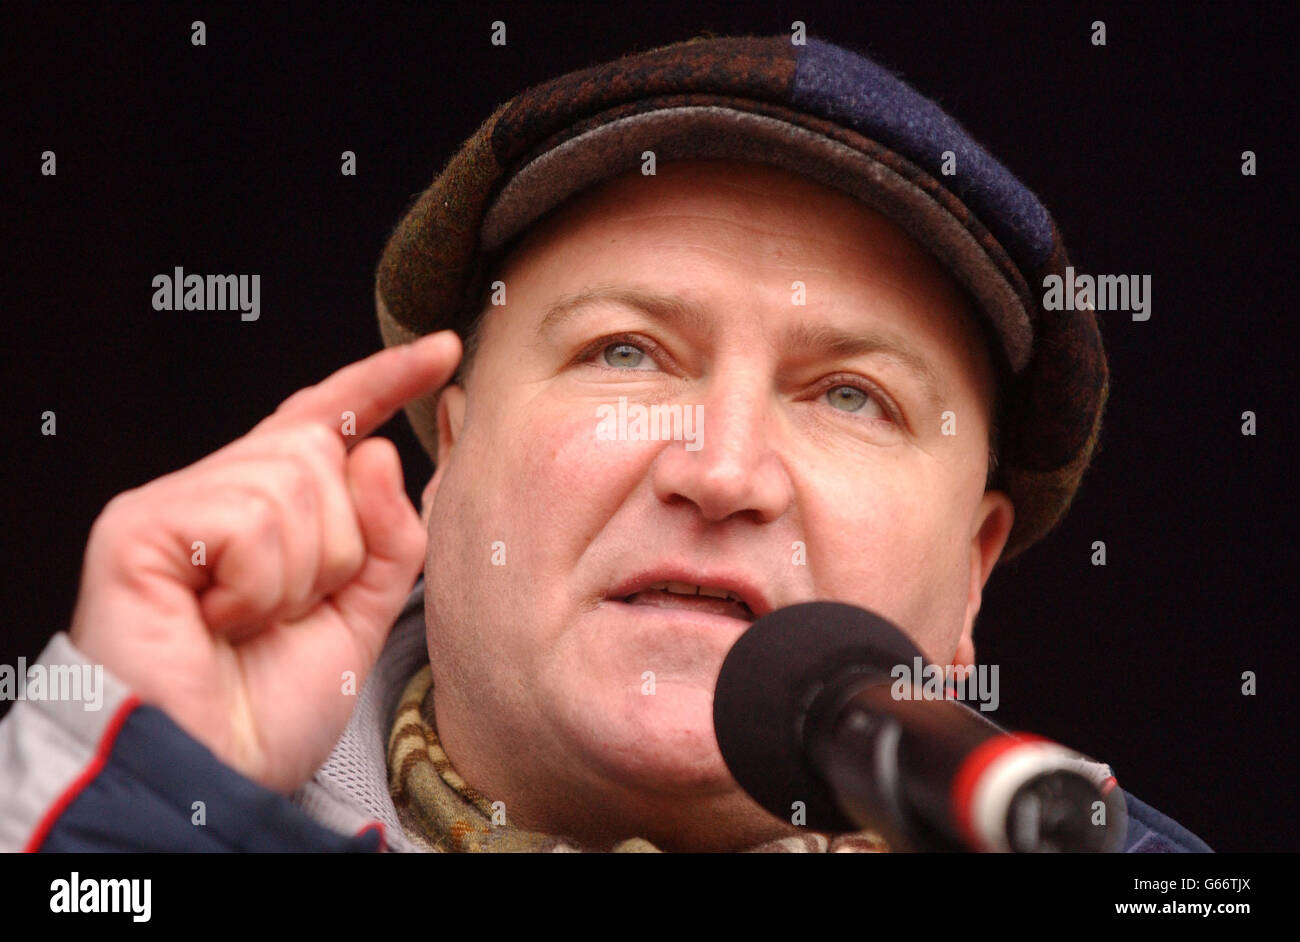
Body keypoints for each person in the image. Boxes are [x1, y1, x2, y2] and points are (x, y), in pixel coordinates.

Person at [0, 32, 1211, 852]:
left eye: (850, 396)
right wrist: (141, 787)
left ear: (971, 573)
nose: (721, 469)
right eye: (626, 354)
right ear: (448, 457)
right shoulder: (92, 805)